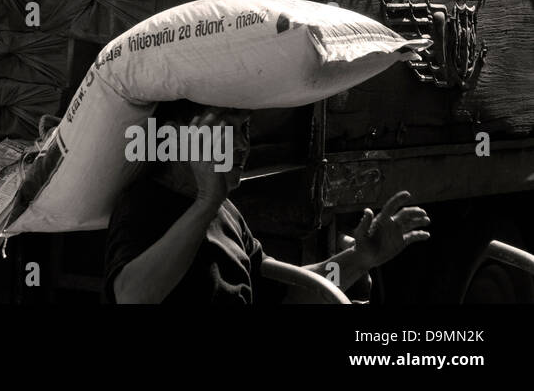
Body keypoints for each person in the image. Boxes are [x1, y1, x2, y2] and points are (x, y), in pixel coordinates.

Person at [105, 104, 431, 304]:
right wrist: (206, 202)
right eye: (224, 129)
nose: (243, 144)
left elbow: (291, 288)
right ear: (177, 138)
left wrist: (359, 259)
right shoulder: (145, 202)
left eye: (244, 129)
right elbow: (132, 297)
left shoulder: (226, 213)